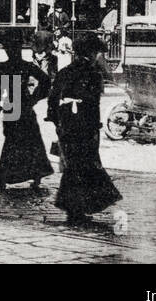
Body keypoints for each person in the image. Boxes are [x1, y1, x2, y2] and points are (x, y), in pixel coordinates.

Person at [45, 34, 121, 225]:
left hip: (67, 125)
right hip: (85, 127)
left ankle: (74, 209)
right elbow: (93, 104)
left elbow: (53, 100)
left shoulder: (64, 72)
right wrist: (96, 128)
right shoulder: (94, 75)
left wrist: (57, 122)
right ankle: (80, 208)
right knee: (86, 165)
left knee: (73, 165)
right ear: (92, 53)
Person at [0, 37, 53, 192]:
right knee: (32, 141)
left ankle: (2, 180)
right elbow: (46, 80)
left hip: (12, 107)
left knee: (11, 142)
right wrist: (35, 98)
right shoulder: (27, 66)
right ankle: (37, 176)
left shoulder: (3, 68)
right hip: (25, 106)